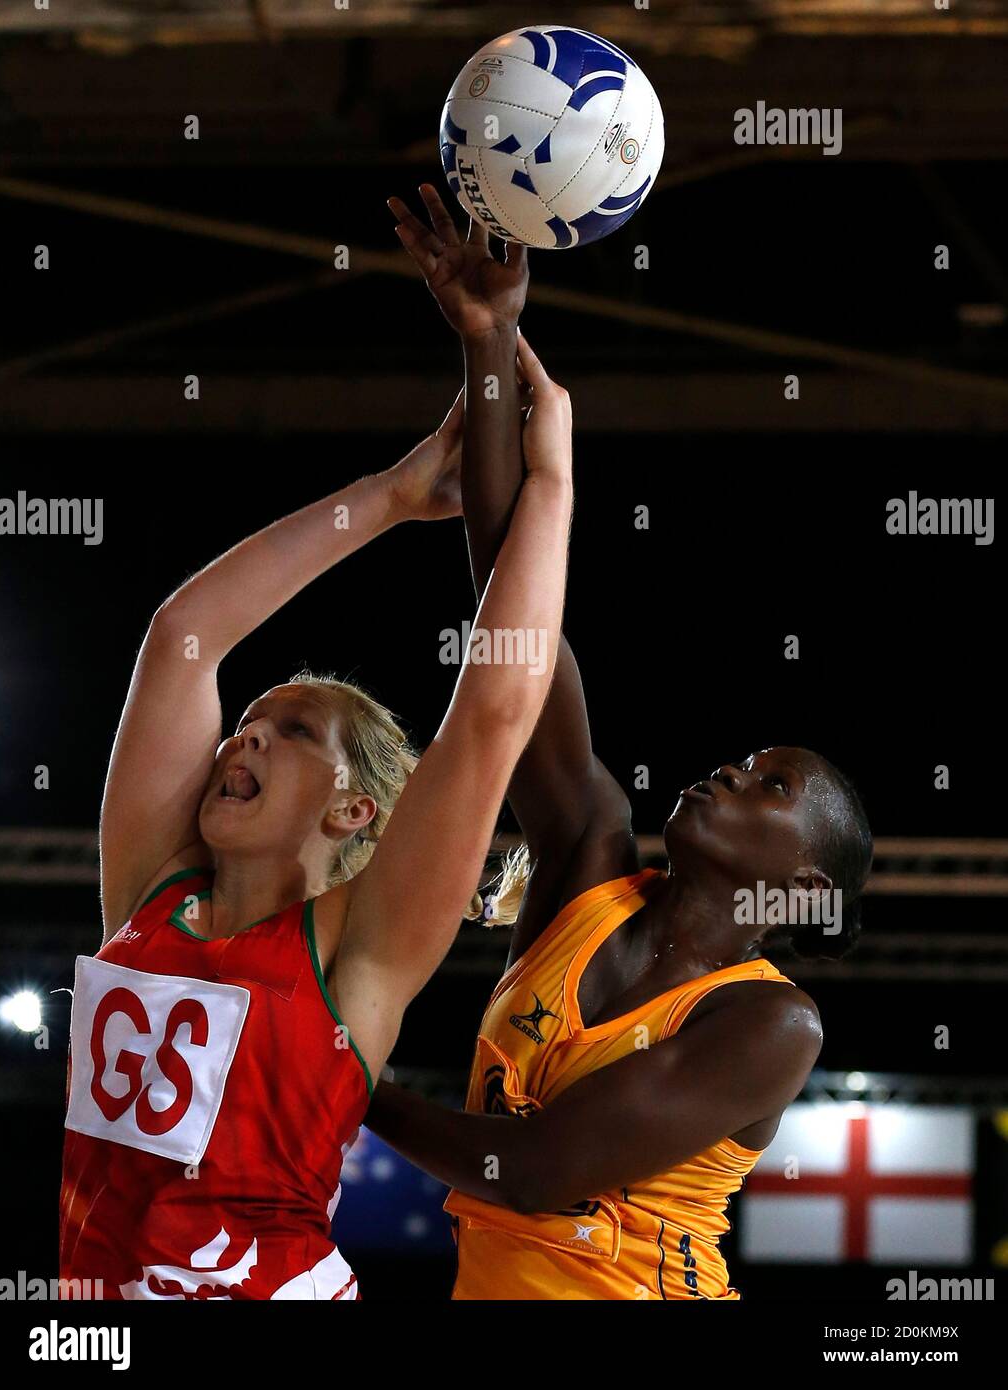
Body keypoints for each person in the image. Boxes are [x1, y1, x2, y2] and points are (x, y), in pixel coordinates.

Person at [365, 185, 873, 1300]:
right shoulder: (590, 853)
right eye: (749, 757)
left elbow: (538, 1172)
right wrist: (490, 347)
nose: (733, 769)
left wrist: (342, 1078)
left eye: (771, 781)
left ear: (800, 879)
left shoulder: (771, 1018)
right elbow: (519, 629)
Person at [58, 223, 574, 1299]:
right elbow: (182, 638)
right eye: (246, 720)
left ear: (353, 811)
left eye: (289, 730)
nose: (240, 734)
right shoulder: (151, 892)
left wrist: (554, 489)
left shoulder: (357, 954)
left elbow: (489, 718)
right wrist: (384, 498)